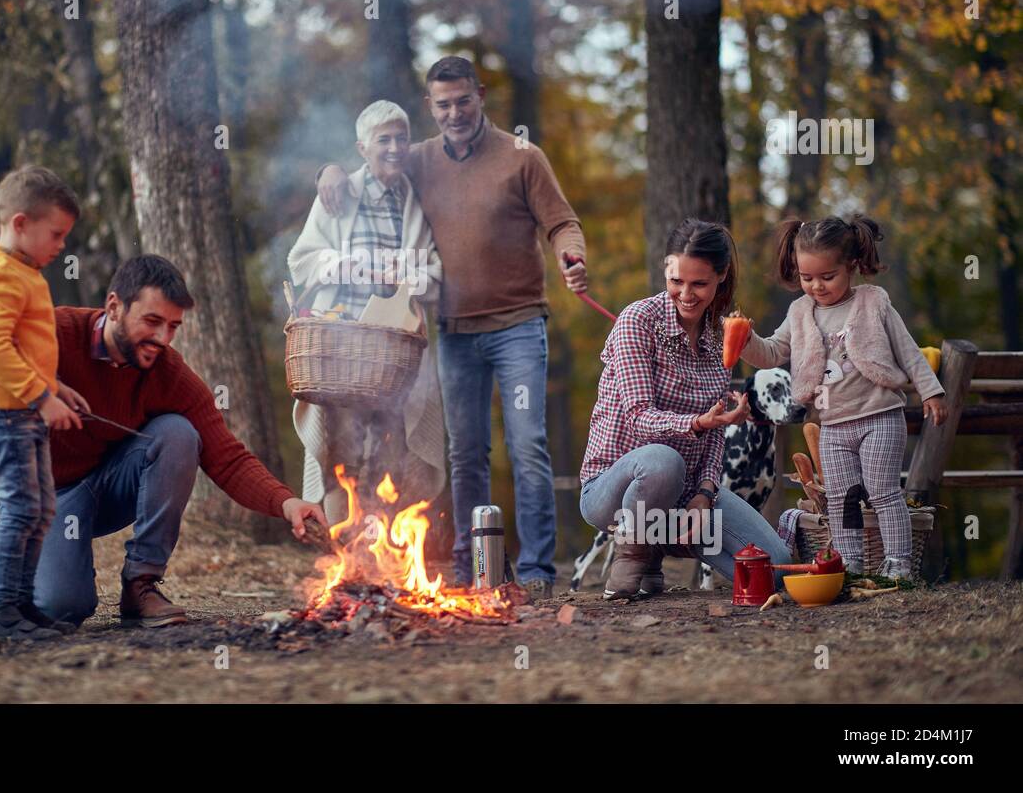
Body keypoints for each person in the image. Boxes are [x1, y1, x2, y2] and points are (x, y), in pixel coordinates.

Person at [0, 255, 328, 628]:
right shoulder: (52, 333)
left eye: (173, 326)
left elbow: (225, 455)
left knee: (177, 433)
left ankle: (141, 586)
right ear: (115, 306)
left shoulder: (166, 372)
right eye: (153, 321)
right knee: (64, 607)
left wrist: (286, 502)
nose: (163, 338)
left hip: (107, 488)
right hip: (42, 497)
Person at [316, 57, 587, 598]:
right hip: (454, 333)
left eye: (463, 100)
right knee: (465, 451)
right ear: (430, 107)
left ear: (480, 95)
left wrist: (571, 255)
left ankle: (535, 573)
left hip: (517, 326)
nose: (455, 112)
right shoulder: (417, 158)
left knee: (528, 444)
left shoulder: (521, 156)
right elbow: (372, 162)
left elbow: (561, 221)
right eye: (443, 104)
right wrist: (327, 172)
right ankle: (469, 566)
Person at [579, 219, 793, 599]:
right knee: (663, 461)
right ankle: (633, 555)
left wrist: (706, 494)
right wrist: (697, 421)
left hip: (685, 497)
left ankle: (661, 541)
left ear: (721, 277)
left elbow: (715, 436)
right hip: (613, 491)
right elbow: (639, 418)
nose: (686, 294)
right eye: (676, 281)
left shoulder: (718, 340)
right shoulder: (637, 322)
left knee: (772, 568)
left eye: (699, 284)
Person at [740, 216, 946, 579]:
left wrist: (930, 391)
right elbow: (772, 353)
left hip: (879, 416)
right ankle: (847, 564)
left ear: (850, 266)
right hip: (833, 425)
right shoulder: (800, 312)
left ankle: (898, 563)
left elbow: (908, 351)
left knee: (883, 492)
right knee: (841, 498)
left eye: (827, 276)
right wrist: (745, 339)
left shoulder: (873, 301)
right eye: (807, 278)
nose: (816, 286)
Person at [288, 100, 445, 524]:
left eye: (401, 138)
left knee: (394, 452)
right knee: (342, 457)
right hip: (341, 349)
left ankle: (386, 565)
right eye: (383, 140)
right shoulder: (340, 193)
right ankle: (344, 563)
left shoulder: (414, 200)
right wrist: (348, 264)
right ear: (362, 148)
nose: (394, 148)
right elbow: (300, 260)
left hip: (395, 353)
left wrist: (405, 271)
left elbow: (434, 272)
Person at [0, 165, 86, 640]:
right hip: (2, 416)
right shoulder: (1, 276)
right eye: (55, 234)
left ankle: (21, 605)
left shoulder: (26, 271)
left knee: (41, 510)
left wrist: (55, 387)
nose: (61, 246)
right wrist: (42, 399)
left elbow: (22, 346)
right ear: (20, 223)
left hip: (24, 412)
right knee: (19, 511)